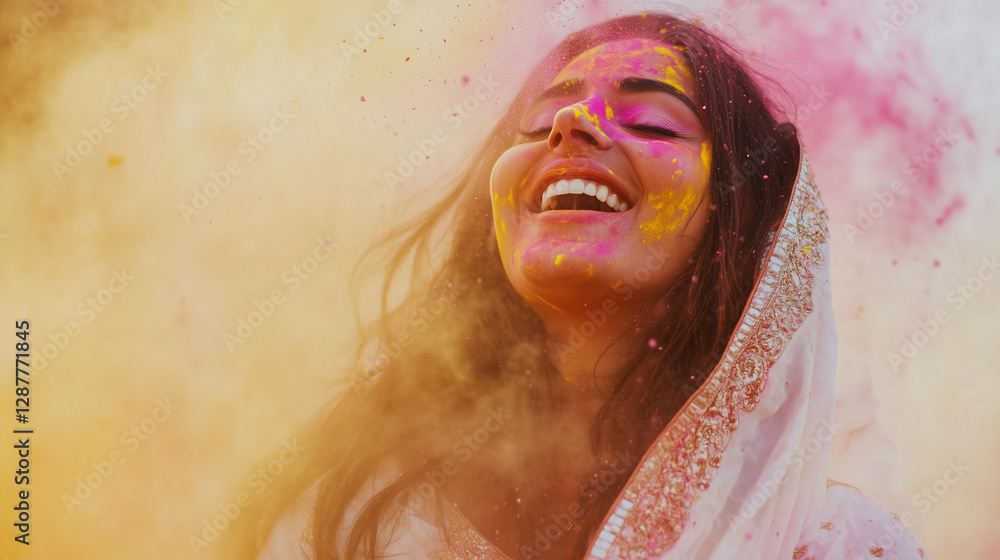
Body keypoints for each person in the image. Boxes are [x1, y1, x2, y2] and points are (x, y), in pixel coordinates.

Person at [237, 12, 928, 560]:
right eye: (539, 123)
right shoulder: (344, 524)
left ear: (735, 211)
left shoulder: (840, 547)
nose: (570, 125)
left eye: (653, 121)